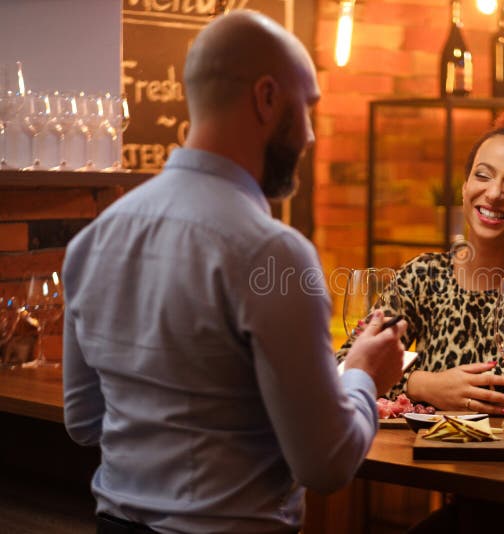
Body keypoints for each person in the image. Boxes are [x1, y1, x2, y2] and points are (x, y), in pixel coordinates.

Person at [61, 10, 406, 534]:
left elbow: (85, 422)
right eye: (307, 108)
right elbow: (327, 465)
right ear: (267, 98)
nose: (311, 135)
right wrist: (365, 375)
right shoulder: (275, 253)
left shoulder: (94, 237)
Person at [338, 107, 504, 415]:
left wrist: (400, 379)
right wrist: (422, 384)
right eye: (483, 176)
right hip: (418, 455)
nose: (494, 193)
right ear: (465, 186)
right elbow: (346, 367)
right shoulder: (425, 275)